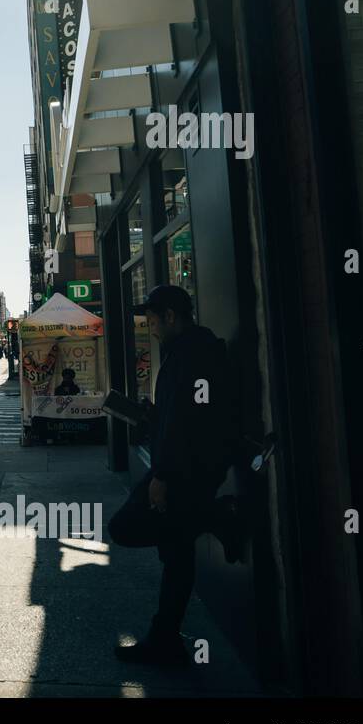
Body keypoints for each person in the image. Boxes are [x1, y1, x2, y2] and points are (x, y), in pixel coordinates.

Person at [109, 285, 242, 666]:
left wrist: (162, 475)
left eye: (152, 319)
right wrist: (153, 415)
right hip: (187, 465)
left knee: (126, 527)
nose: (149, 327)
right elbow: (184, 413)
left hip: (185, 471)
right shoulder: (189, 351)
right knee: (177, 552)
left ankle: (220, 516)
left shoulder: (194, 354)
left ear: (171, 316)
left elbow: (191, 419)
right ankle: (165, 638)